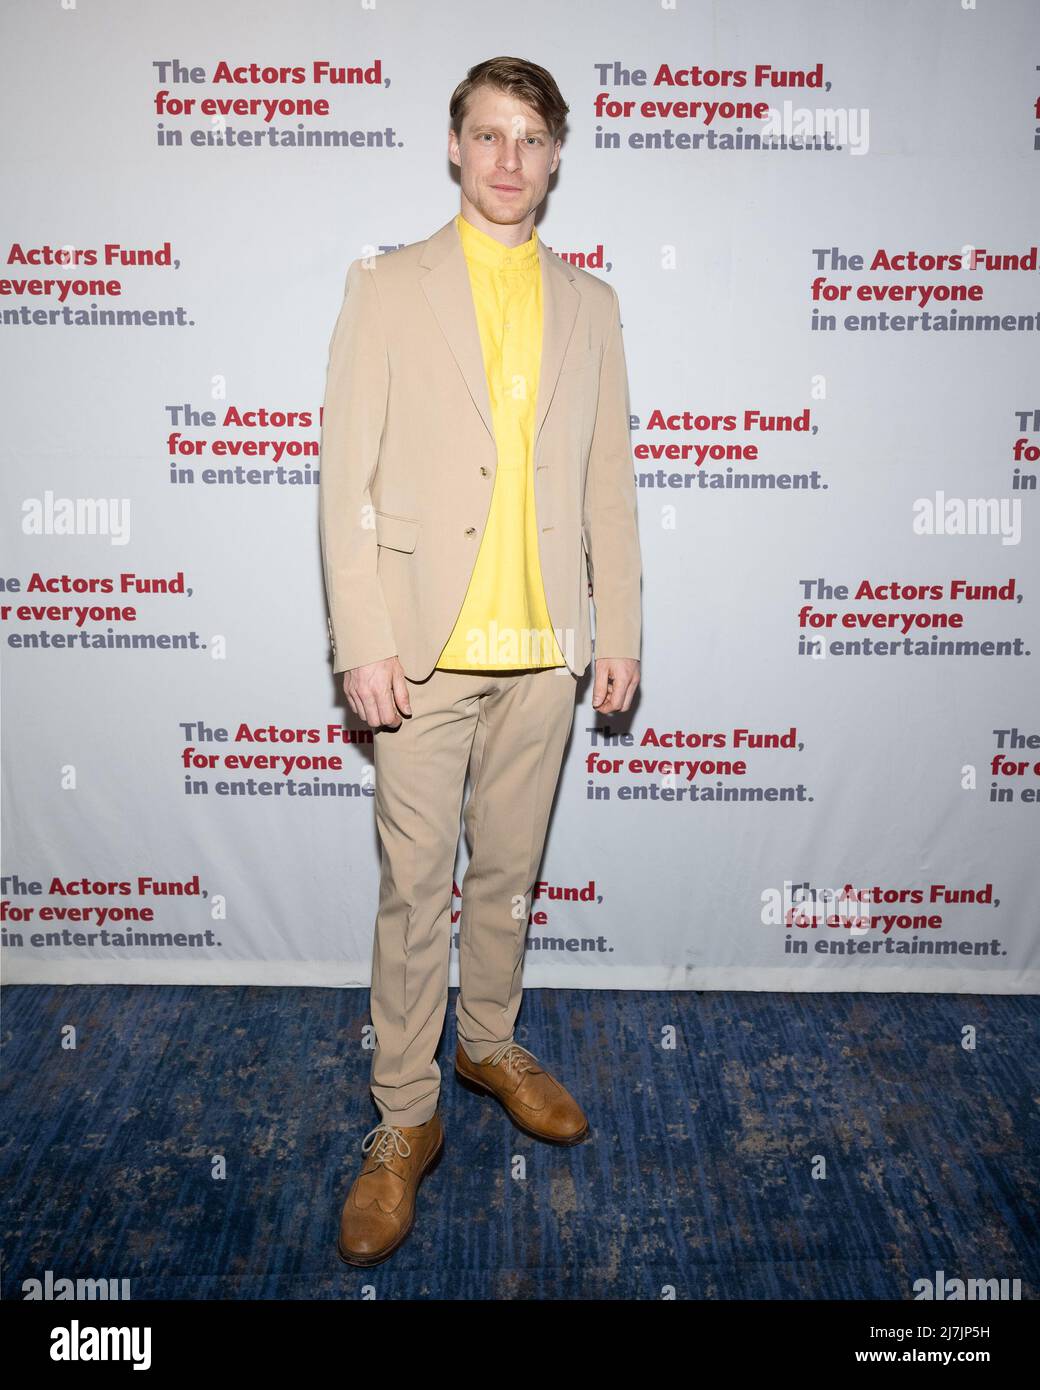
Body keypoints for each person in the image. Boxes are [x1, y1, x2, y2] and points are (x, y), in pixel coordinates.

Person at [318, 55, 642, 1267]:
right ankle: (404, 1117)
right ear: (452, 146)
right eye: (487, 133)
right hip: (422, 652)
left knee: (506, 871)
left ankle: (489, 1040)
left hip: (544, 651)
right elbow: (343, 486)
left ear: (555, 157)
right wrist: (363, 640)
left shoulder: (594, 305)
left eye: (531, 137)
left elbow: (608, 485)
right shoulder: (386, 287)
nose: (509, 158)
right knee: (415, 893)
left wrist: (619, 633)